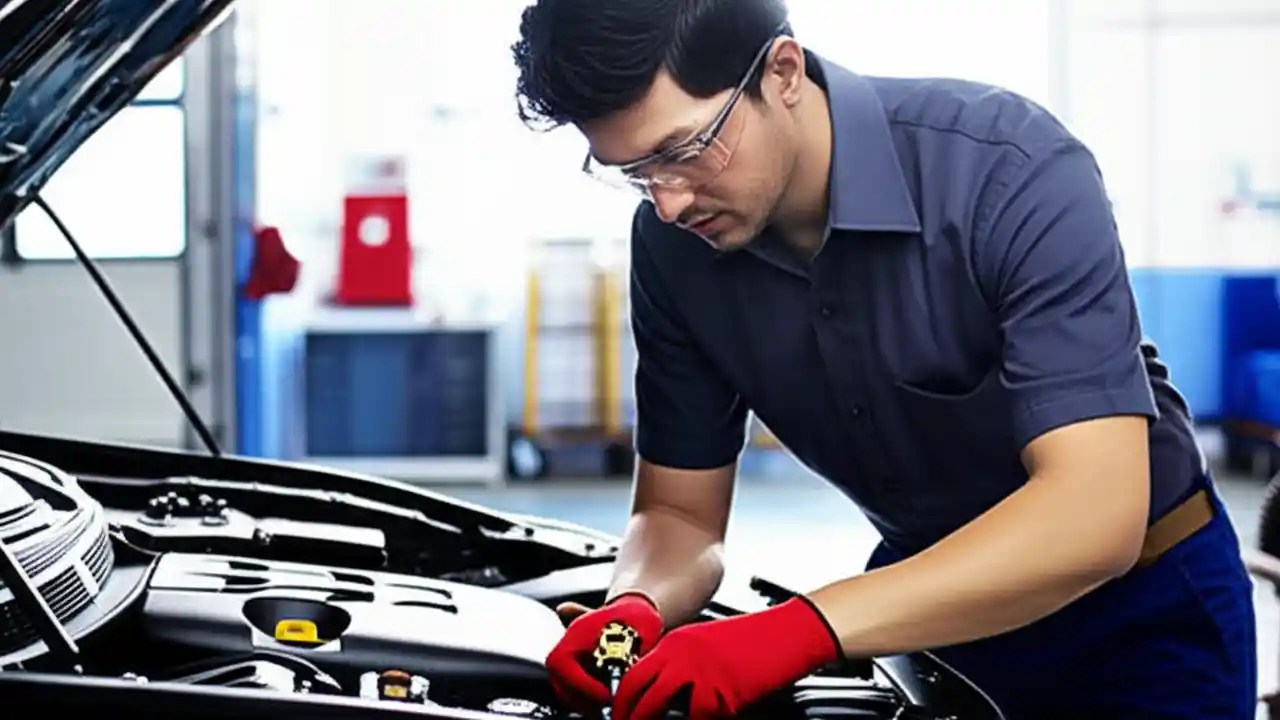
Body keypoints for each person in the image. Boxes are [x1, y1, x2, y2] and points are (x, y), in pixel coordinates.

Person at [509, 1, 1258, 718]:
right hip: (926, 618)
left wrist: (798, 631)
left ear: (783, 72)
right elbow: (677, 512)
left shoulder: (1012, 172)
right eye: (634, 172)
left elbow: (1096, 514)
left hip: (1140, 614)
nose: (667, 203)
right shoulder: (673, 252)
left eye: (683, 152)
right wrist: (637, 602)